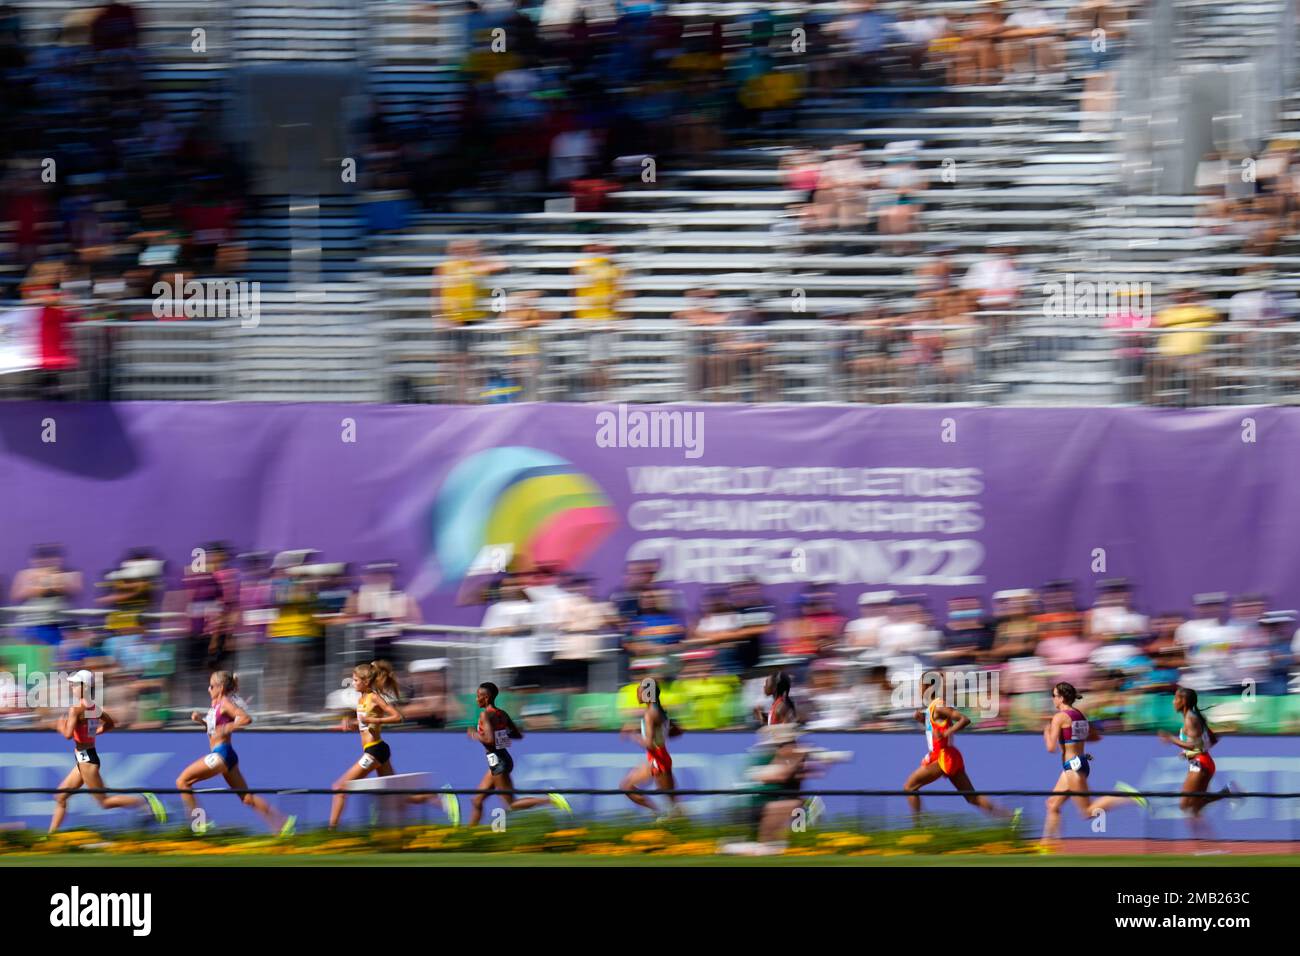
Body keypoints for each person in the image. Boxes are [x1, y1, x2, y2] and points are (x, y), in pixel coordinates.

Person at [328, 661, 460, 829]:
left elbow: (397, 717)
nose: (352, 683)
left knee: (339, 787)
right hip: (376, 750)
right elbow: (365, 726)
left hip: (375, 751)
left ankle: (331, 831)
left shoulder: (374, 698)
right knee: (394, 795)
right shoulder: (361, 700)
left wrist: (373, 719)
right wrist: (350, 724)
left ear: (365, 681)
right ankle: (432, 796)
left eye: (355, 680)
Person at [175, 671, 294, 835]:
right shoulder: (216, 706)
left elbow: (245, 719)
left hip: (220, 755)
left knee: (182, 781)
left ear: (221, 688)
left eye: (211, 686)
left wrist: (226, 728)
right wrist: (200, 721)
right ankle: (283, 823)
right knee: (246, 798)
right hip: (227, 756)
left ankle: (201, 824)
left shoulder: (225, 703)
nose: (208, 689)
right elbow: (213, 731)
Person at [49, 670, 166, 833]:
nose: (72, 687)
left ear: (85, 687)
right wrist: (95, 732)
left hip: (86, 761)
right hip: (86, 758)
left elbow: (68, 735)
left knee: (104, 802)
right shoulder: (94, 707)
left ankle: (143, 801)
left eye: (75, 684)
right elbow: (111, 723)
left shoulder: (75, 709)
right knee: (60, 797)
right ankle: (51, 836)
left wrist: (59, 726)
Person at [1042, 681, 1145, 840]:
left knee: (1087, 811)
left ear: (1061, 698)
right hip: (1079, 762)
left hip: (1072, 766)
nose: (1052, 699)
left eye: (1053, 696)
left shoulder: (1059, 717)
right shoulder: (1079, 714)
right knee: (1052, 804)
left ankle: (1124, 795)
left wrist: (1046, 732)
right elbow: (1096, 737)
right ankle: (1048, 846)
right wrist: (1074, 738)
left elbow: (1050, 748)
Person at [465, 681, 570, 826]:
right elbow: (517, 735)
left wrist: (474, 734)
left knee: (511, 805)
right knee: (476, 800)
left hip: (498, 761)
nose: (476, 699)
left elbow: (489, 739)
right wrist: (500, 736)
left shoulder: (485, 715)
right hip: (501, 758)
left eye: (478, 696)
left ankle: (551, 799)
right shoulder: (502, 714)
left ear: (487, 698)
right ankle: (469, 834)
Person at [904, 696, 1014, 821]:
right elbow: (937, 727)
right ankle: (1011, 818)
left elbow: (964, 720)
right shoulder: (932, 708)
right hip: (949, 757)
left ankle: (918, 829)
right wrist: (923, 719)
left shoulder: (939, 706)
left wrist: (946, 733)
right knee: (972, 798)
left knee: (910, 787)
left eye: (921, 686)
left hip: (942, 757)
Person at [1157, 687, 1235, 840]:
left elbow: (1195, 745)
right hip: (1203, 762)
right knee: (1195, 807)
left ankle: (1227, 792)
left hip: (1201, 764)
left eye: (1175, 698)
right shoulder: (1193, 717)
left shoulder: (1190, 718)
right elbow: (1209, 742)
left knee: (1185, 805)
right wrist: (1187, 753)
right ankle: (1209, 848)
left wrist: (1171, 739)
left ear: (1183, 701)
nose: (1173, 702)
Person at [620, 677, 684, 819]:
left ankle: (658, 814)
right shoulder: (659, 710)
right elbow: (678, 730)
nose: (637, 693)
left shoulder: (650, 714)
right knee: (673, 804)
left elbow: (649, 743)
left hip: (657, 760)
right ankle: (660, 815)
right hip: (660, 757)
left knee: (673, 807)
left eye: (640, 690)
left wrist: (632, 735)